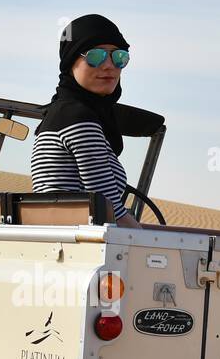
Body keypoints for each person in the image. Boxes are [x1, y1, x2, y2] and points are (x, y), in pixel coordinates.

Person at [31, 14, 142, 228]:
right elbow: (111, 210)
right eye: (96, 56)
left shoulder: (61, 114)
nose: (109, 66)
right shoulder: (77, 120)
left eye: (119, 57)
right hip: (78, 246)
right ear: (71, 61)